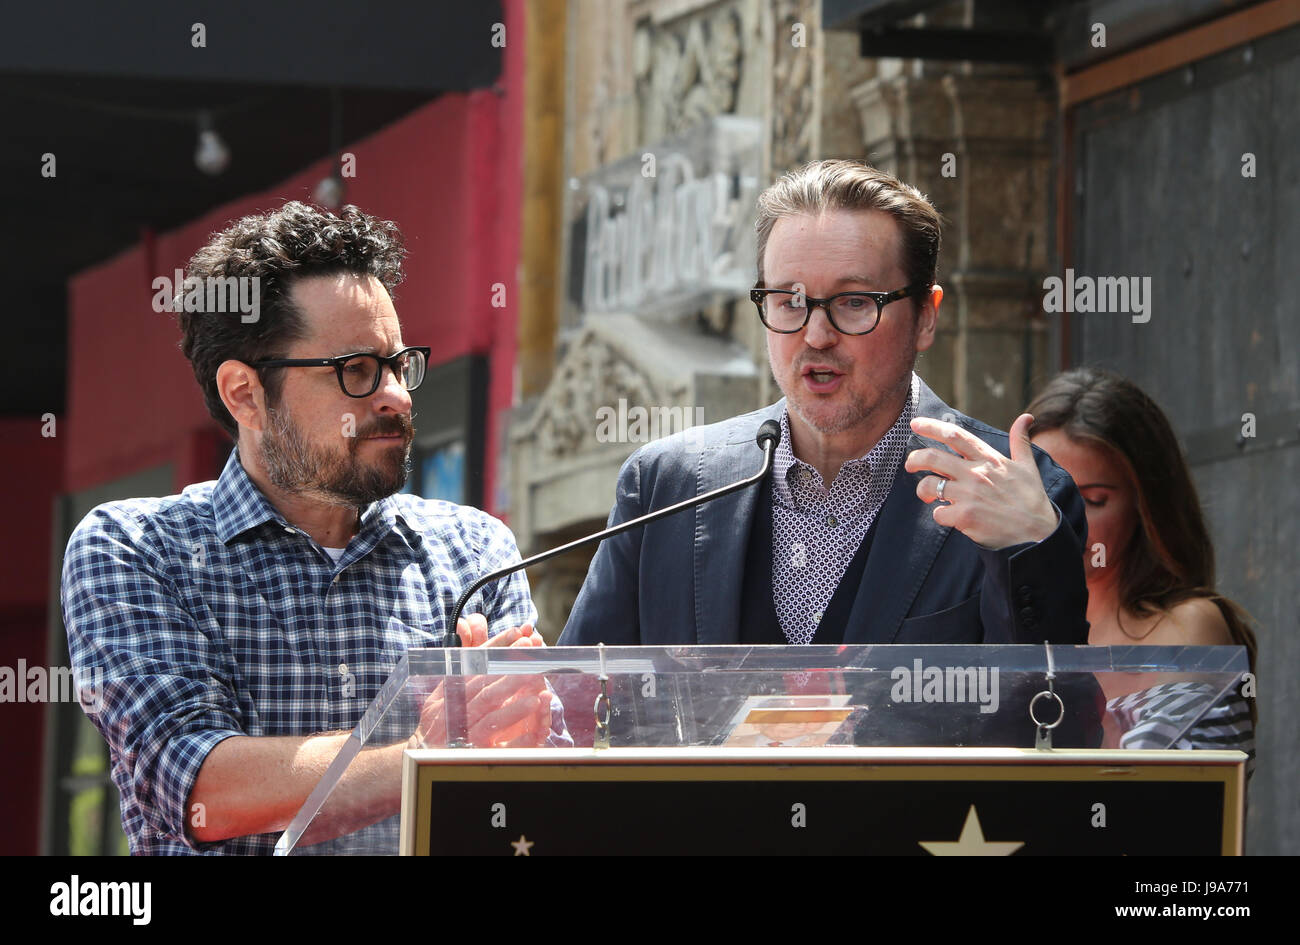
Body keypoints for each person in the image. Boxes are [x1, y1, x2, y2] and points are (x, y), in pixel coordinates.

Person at [61, 202, 561, 855]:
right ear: (244, 394)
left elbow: (529, 797)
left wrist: (538, 727)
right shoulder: (138, 549)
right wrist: (428, 752)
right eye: (356, 370)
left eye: (398, 363)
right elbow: (197, 785)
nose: (397, 396)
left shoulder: (474, 551)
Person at [560, 160, 1091, 648]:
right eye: (789, 301)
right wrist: (518, 702)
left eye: (855, 302)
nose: (816, 334)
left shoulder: (1020, 491)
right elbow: (577, 706)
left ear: (926, 317)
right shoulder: (665, 486)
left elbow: (1054, 726)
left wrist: (1029, 551)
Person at [1027, 367, 1256, 765]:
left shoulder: (1188, 626)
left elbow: (1184, 805)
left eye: (1093, 500)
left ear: (1145, 505)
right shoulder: (994, 618)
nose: (1061, 520)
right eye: (1042, 492)